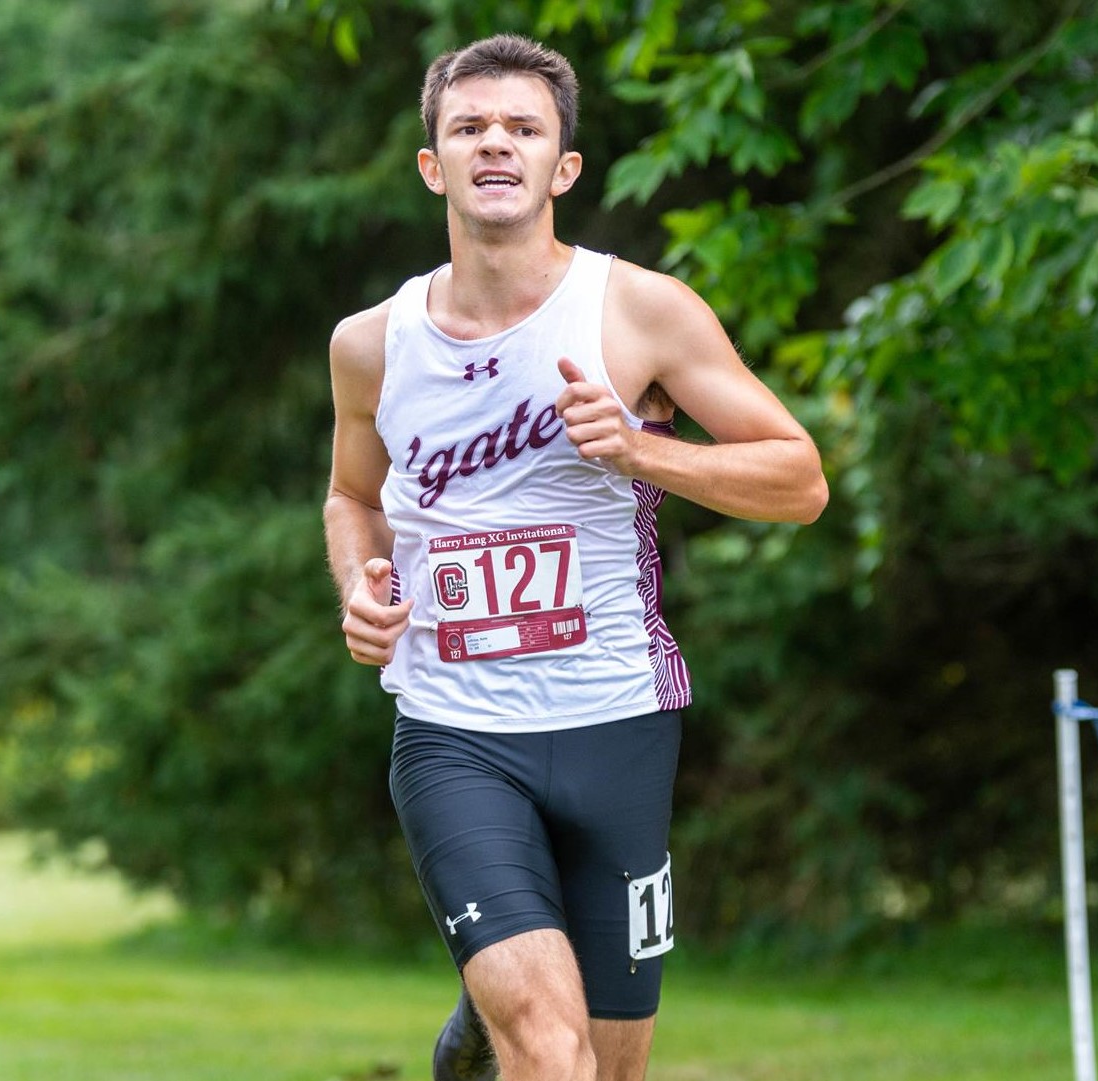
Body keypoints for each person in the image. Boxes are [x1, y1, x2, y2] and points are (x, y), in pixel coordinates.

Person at [322, 33, 828, 1081]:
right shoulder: (371, 342)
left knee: (608, 1065)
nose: (492, 144)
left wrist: (637, 448)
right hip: (455, 731)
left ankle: (472, 1041)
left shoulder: (635, 311)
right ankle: (497, 1025)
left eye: (521, 128)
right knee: (552, 1056)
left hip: (616, 725)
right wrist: (359, 587)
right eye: (468, 128)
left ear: (563, 168)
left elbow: (798, 478)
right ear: (433, 166)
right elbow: (350, 496)